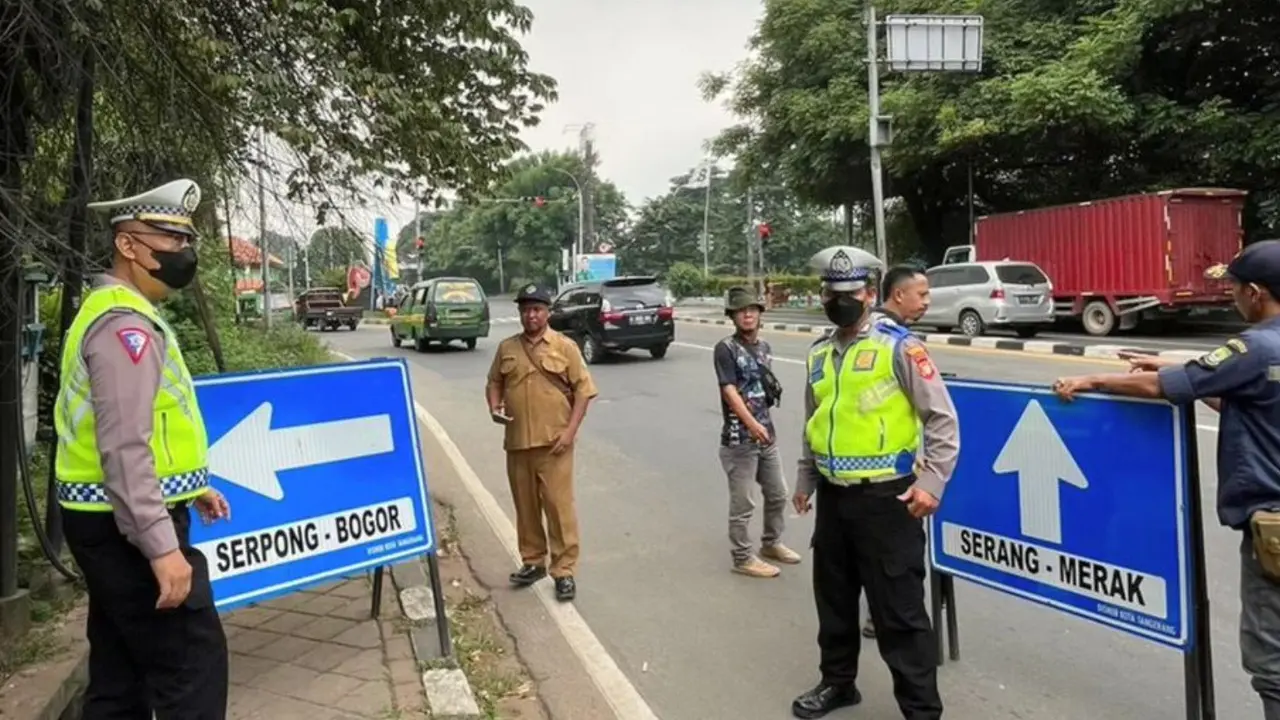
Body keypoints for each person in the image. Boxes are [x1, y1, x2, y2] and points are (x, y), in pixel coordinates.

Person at [1054, 240, 1280, 719]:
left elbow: (1164, 389)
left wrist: (1094, 381)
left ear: (1257, 293)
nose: (1233, 298)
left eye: (1236, 289)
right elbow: (1249, 398)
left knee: (1272, 660)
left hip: (1274, 530)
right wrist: (1187, 374)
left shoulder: (1255, 346)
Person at [54, 179, 232, 719]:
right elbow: (124, 446)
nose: (183, 254)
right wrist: (161, 549)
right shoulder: (123, 327)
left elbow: (146, 429)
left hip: (106, 517)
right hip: (124, 526)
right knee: (191, 668)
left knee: (120, 674)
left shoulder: (116, 311)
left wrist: (191, 484)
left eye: (185, 241)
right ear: (128, 246)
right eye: (170, 241)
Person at [790, 246, 960, 720]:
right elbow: (815, 419)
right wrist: (806, 477)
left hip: (889, 498)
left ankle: (921, 709)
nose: (839, 300)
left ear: (869, 294)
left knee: (899, 612)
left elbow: (942, 420)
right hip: (834, 498)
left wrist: (931, 482)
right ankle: (838, 683)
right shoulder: (820, 352)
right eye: (831, 293)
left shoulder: (899, 346)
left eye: (849, 293)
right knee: (835, 601)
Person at [486, 283, 598, 601]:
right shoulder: (507, 348)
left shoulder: (565, 347)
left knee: (559, 508)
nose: (530, 315)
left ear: (547, 312)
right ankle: (533, 561)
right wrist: (494, 408)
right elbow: (494, 382)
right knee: (526, 506)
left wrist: (570, 432)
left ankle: (564, 571)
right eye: (525, 309)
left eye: (536, 309)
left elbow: (584, 392)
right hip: (518, 443)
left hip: (555, 444)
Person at [857, 264, 933, 640]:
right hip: (890, 471)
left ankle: (881, 615)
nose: (927, 302)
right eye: (922, 294)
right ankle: (890, 622)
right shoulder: (895, 340)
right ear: (898, 295)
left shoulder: (874, 334)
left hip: (873, 467)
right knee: (894, 558)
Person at [713, 286, 800, 578]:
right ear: (733, 316)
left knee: (778, 494)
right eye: (741, 310)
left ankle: (771, 543)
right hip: (740, 440)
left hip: (767, 436)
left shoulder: (764, 348)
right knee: (743, 504)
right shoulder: (725, 349)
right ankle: (742, 557)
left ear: (760, 313)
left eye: (752, 309)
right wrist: (752, 424)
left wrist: (763, 426)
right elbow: (729, 390)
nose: (747, 314)